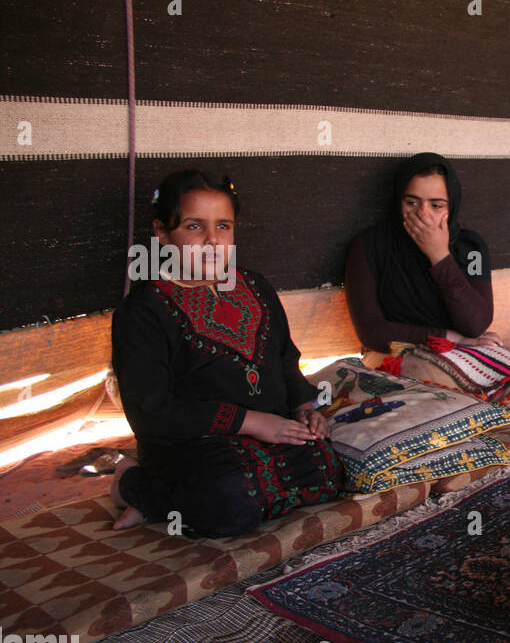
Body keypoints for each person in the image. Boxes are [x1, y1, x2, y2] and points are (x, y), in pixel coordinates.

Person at [110, 170, 343, 536]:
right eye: (193, 227)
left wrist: (304, 409)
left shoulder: (256, 286)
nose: (211, 241)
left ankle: (170, 502)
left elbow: (285, 360)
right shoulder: (143, 310)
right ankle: (132, 484)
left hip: (270, 433)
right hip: (192, 444)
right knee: (232, 501)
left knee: (327, 470)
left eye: (223, 227)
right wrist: (250, 421)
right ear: (161, 233)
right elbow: (150, 411)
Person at [344, 153, 501, 352]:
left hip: (464, 350)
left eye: (436, 205)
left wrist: (440, 256)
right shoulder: (370, 246)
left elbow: (475, 325)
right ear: (398, 200)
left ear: (451, 206)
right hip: (398, 354)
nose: (422, 214)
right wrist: (452, 338)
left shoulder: (471, 248)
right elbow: (372, 332)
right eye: (411, 203)